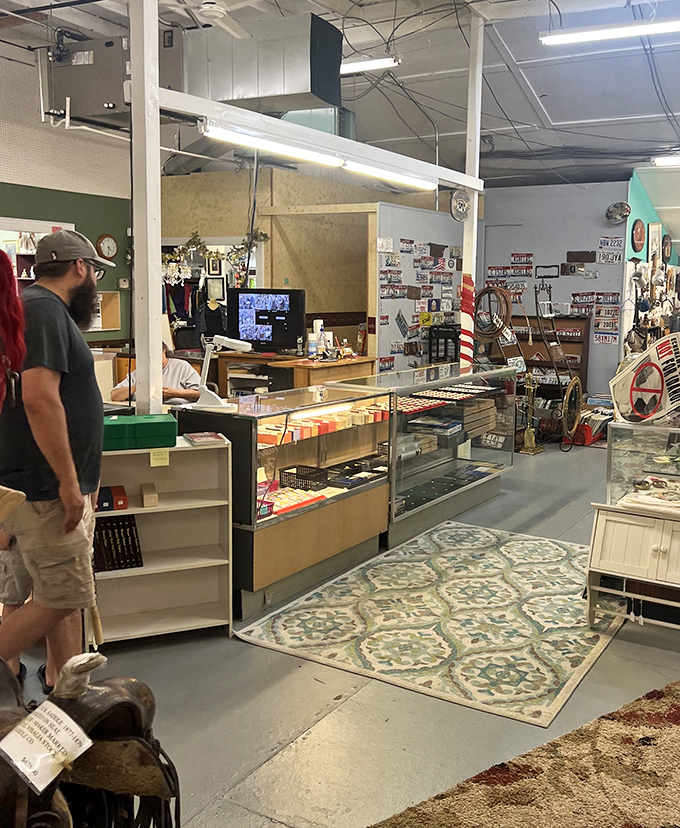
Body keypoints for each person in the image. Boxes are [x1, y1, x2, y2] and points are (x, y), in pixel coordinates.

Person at [0, 229, 114, 692]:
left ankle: (62, 690)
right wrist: (70, 482)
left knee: (36, 590)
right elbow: (39, 399)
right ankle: (62, 690)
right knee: (67, 594)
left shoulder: (30, 309)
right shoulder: (45, 310)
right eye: (94, 273)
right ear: (80, 268)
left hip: (31, 487)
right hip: (46, 489)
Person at [110, 342, 200, 405]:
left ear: (164, 351)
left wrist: (174, 393)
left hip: (175, 412)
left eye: (156, 355)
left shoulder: (181, 366)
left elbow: (200, 394)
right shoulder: (140, 371)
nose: (153, 359)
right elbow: (114, 396)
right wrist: (137, 386)